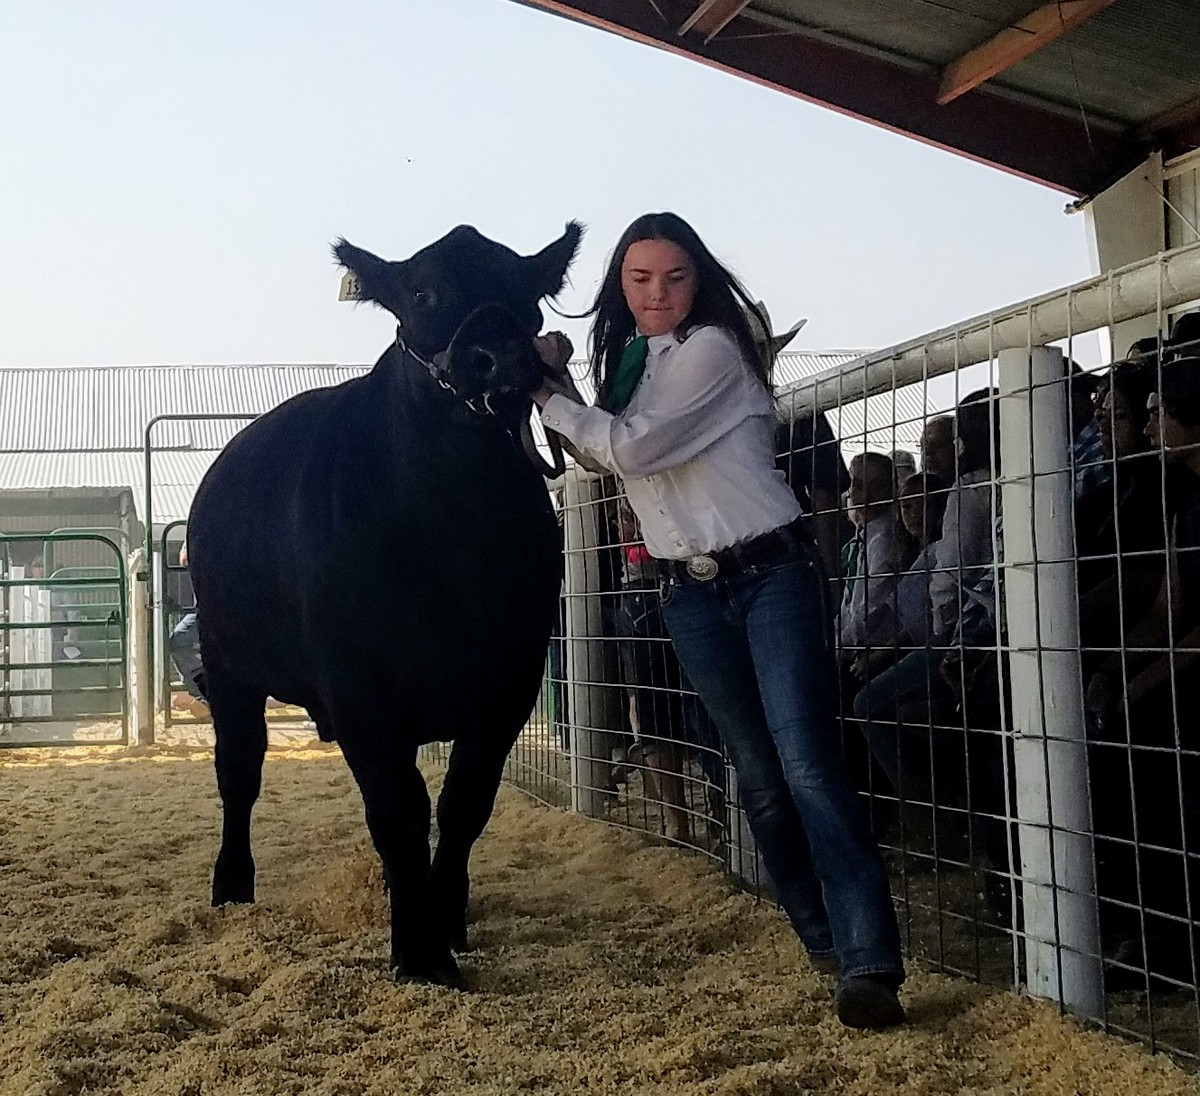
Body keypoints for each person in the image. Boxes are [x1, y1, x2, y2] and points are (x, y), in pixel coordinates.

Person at [532, 211, 905, 1028]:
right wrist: (561, 388)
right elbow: (610, 446)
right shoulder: (638, 364)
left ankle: (869, 957)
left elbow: (630, 450)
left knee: (805, 763)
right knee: (759, 776)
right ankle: (823, 944)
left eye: (673, 277)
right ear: (619, 287)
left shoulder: (713, 351)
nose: (657, 293)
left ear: (698, 280)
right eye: (640, 279)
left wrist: (543, 395)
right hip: (687, 589)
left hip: (768, 570)